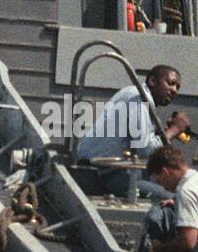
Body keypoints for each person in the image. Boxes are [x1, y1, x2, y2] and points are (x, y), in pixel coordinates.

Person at [77, 64, 190, 199]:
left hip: (107, 170)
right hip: (103, 173)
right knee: (176, 199)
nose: (174, 90)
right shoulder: (138, 97)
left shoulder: (135, 96)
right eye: (170, 83)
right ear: (152, 81)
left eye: (177, 87)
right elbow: (146, 150)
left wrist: (161, 134)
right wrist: (174, 129)